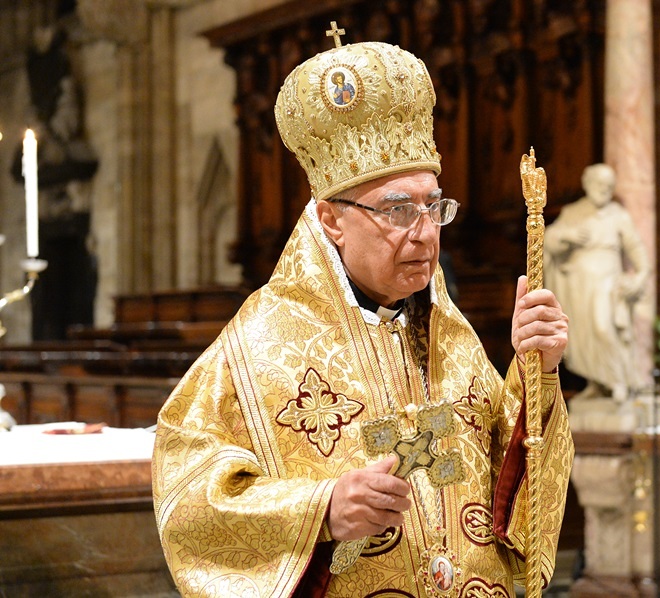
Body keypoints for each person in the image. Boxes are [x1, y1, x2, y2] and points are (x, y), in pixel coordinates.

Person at [152, 31, 574, 598]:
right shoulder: (257, 347)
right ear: (330, 219)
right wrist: (321, 510)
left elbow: (513, 494)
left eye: (433, 206)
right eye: (397, 210)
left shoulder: (452, 337)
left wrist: (537, 374)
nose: (424, 233)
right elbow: (190, 501)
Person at [544, 163, 650, 401]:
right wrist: (568, 236)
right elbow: (549, 239)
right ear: (587, 184)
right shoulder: (573, 212)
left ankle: (618, 380)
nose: (604, 189)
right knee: (582, 334)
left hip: (606, 280)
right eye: (599, 184)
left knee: (603, 327)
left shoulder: (618, 215)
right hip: (578, 285)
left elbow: (636, 248)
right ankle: (597, 383)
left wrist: (642, 274)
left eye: (609, 186)